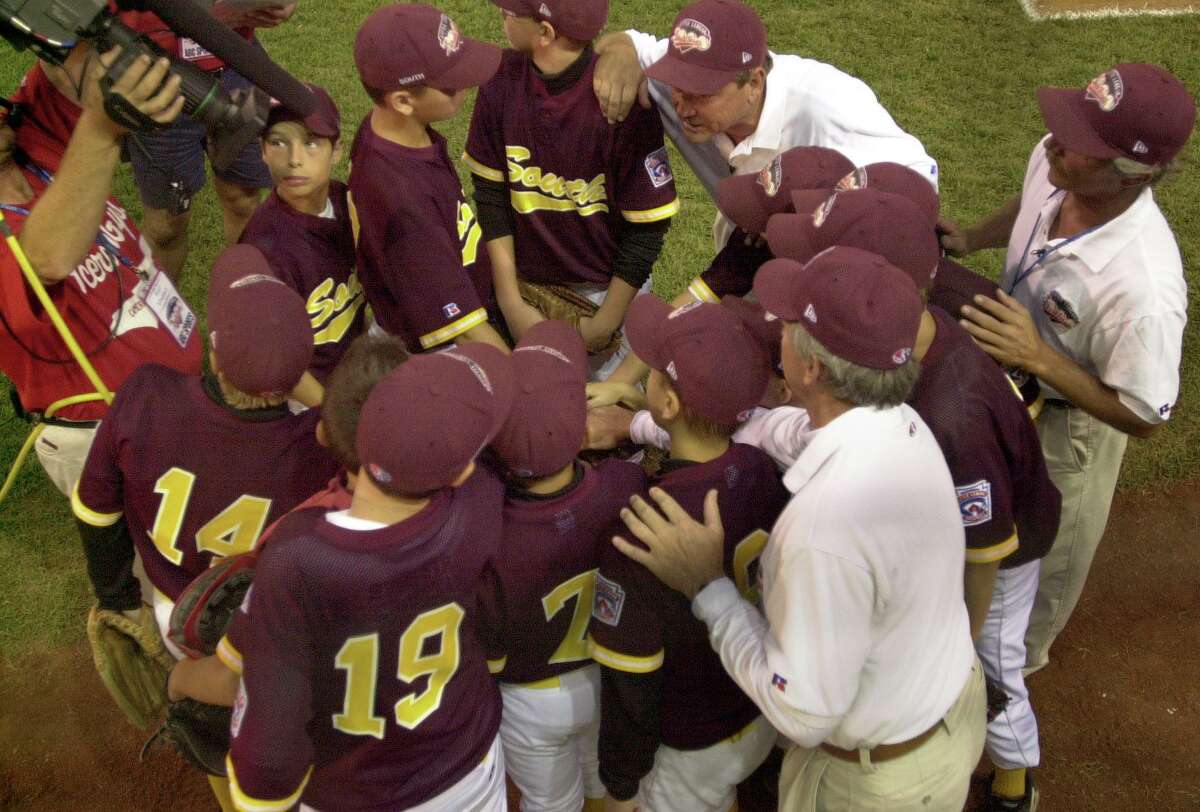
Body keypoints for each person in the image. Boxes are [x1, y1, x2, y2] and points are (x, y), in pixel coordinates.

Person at [610, 247, 986, 809]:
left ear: (809, 370)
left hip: (880, 777)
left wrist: (707, 587)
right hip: (933, 701)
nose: (776, 329)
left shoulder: (824, 528)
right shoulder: (900, 419)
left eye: (786, 324)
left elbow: (802, 714)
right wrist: (640, 424)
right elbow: (768, 431)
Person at [767, 188, 1063, 811]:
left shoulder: (952, 414)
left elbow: (985, 553)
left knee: (995, 663)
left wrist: (954, 653)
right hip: (958, 510)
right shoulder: (916, 332)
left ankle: (1015, 780)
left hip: (1003, 547)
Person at [948, 65, 1194, 702]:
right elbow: (1028, 204)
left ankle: (1009, 688)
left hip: (1069, 431)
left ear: (1131, 175)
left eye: (1081, 141)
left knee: (1042, 568)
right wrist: (973, 237)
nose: (1056, 142)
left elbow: (1145, 414)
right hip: (1002, 391)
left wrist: (1040, 357)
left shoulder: (1143, 288)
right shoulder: (1056, 160)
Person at [224, 344, 515, 811]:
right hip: (465, 771)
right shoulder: (479, 501)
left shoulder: (296, 558)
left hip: (352, 793)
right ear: (461, 471)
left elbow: (268, 762)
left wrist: (178, 681)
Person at [71, 244, 339, 656]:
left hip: (180, 616)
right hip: (274, 623)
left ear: (215, 359)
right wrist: (307, 389)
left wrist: (118, 599)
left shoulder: (146, 394)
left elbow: (96, 510)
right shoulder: (319, 449)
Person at [588, 296, 789, 812]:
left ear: (670, 405)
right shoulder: (764, 467)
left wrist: (620, 784)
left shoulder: (646, 528)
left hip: (692, 743)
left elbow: (631, 687)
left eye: (654, 372)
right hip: (762, 701)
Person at [168, 333, 411, 711]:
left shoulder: (294, 544)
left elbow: (235, 681)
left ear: (322, 433)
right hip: (435, 708)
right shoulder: (465, 501)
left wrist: (178, 679)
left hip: (334, 718)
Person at [0, 46, 202, 497]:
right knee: (156, 542)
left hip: (173, 402)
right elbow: (47, 259)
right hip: (107, 433)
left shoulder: (30, 145)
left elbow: (70, 61)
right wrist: (100, 125)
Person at [591, 0, 937, 254]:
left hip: (828, 273)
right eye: (678, 85)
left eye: (702, 93)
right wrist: (620, 54)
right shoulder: (683, 74)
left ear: (754, 83)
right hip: (745, 257)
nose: (682, 105)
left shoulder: (829, 108)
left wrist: (808, 219)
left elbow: (918, 179)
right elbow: (628, 43)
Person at [463, 0, 679, 378]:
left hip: (606, 291)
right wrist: (510, 300)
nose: (502, 14)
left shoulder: (619, 100)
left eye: (510, 13)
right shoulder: (500, 80)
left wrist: (605, 322)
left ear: (545, 33)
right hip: (520, 280)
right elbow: (491, 196)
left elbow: (646, 229)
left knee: (602, 408)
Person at [485, 319, 646, 812]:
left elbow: (488, 651)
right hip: (604, 677)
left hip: (530, 695)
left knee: (548, 801)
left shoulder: (486, 527)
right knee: (601, 782)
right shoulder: (623, 485)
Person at [350, 3, 509, 354]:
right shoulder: (403, 202)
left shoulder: (390, 132)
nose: (466, 84)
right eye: (450, 84)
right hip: (444, 352)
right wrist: (523, 380)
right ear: (403, 101)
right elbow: (466, 332)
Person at [116, 1, 298, 278]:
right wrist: (201, 15)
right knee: (166, 224)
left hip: (236, 64)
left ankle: (242, 298)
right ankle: (161, 306)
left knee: (243, 200)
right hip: (157, 72)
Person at [239, 83, 366, 383]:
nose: (294, 159)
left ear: (336, 151)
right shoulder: (264, 249)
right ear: (263, 151)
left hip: (353, 362)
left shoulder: (345, 200)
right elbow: (273, 362)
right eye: (278, 142)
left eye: (311, 142)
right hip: (307, 391)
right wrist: (328, 406)